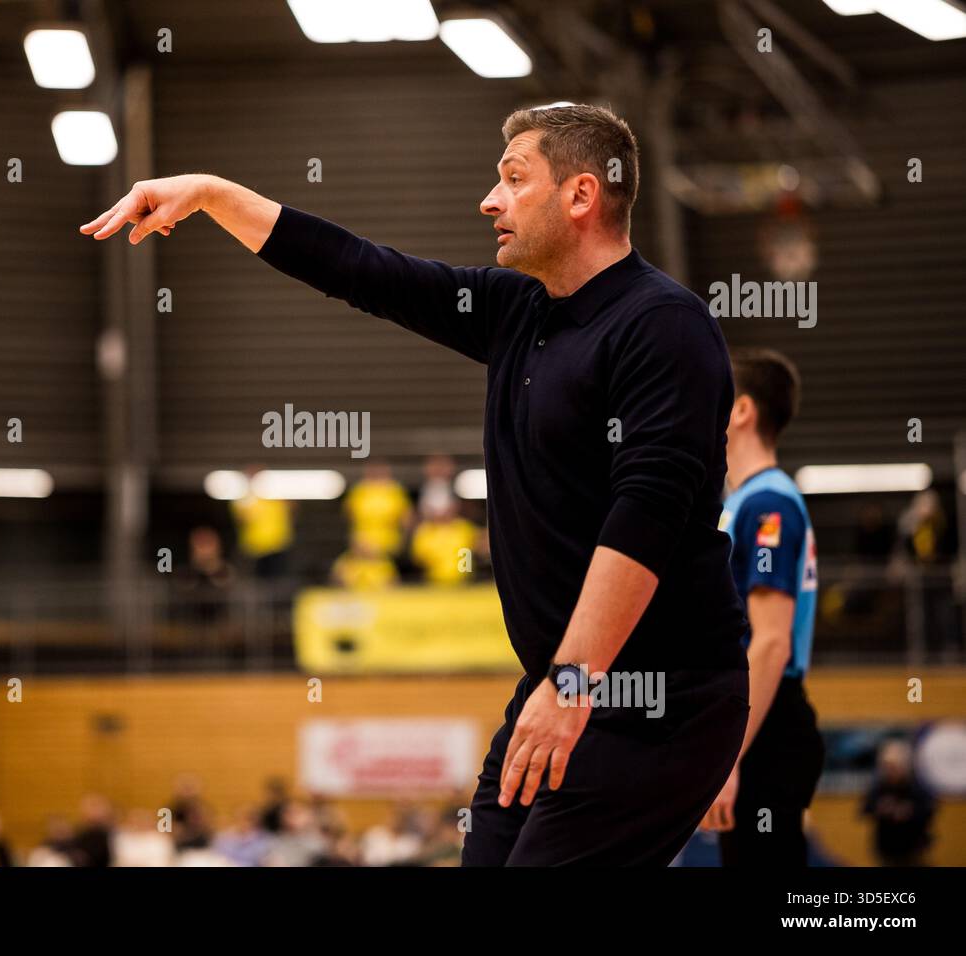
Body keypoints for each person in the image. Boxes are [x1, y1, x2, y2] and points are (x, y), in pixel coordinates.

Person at [81, 102, 749, 865]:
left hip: (660, 701)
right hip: (565, 685)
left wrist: (570, 685)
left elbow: (648, 516)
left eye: (512, 179)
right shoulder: (516, 310)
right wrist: (211, 193)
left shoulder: (663, 324)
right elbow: (364, 270)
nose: (488, 200)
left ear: (581, 195)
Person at [699, 349, 824, 866]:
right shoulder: (743, 502)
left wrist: (732, 753)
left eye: (716, 398)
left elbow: (772, 641)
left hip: (766, 719)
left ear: (743, 411)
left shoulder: (768, 503)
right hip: (754, 715)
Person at [861, 738, 936, 866]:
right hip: (886, 847)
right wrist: (881, 808)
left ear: (903, 767)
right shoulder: (879, 787)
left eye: (893, 767)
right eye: (886, 767)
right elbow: (865, 809)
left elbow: (929, 810)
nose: (889, 771)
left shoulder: (916, 786)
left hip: (912, 847)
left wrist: (909, 812)